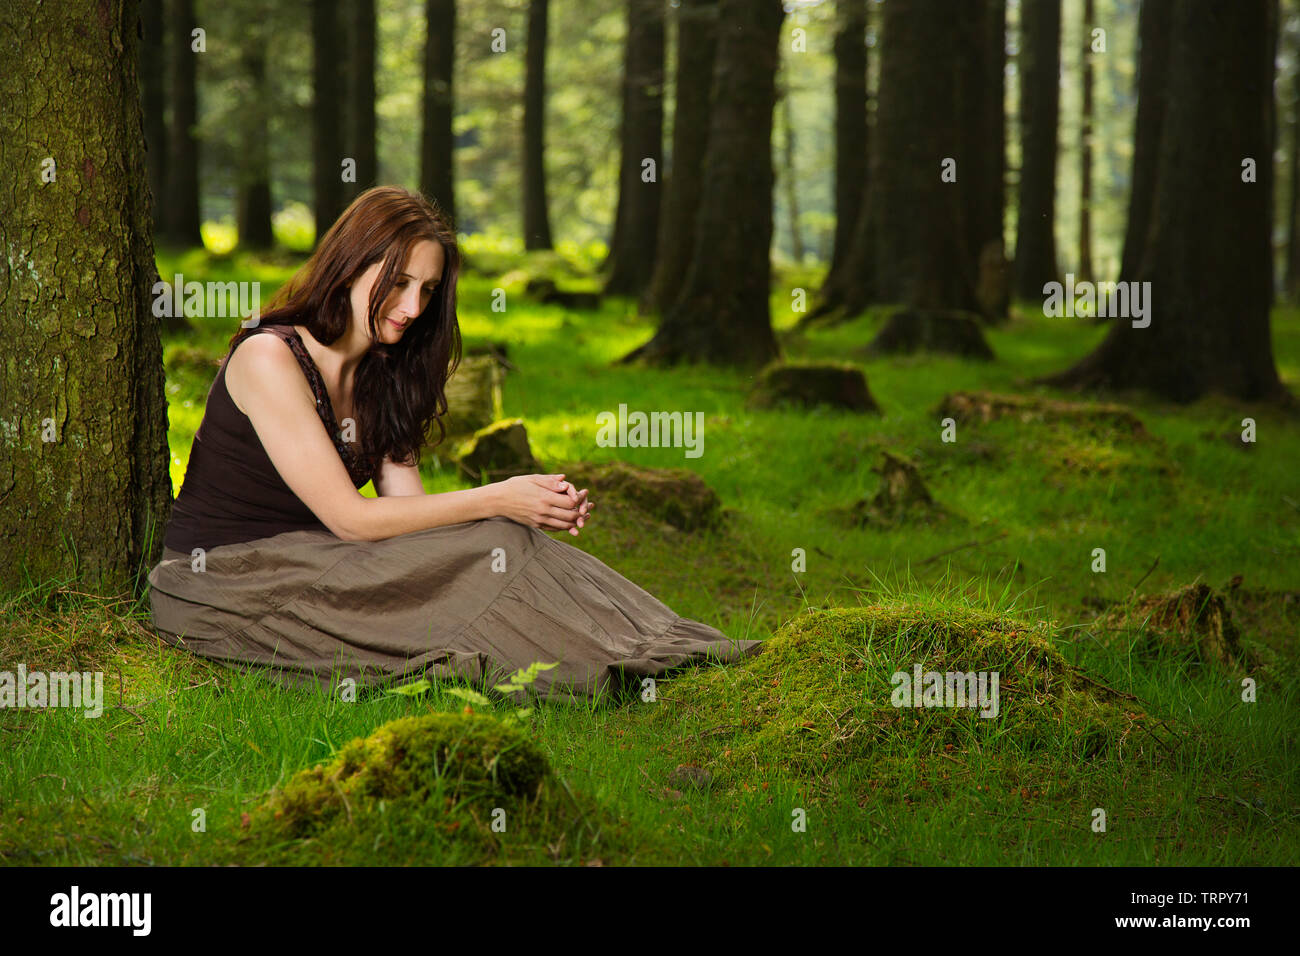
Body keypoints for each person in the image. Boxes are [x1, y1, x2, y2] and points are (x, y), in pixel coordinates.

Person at [147, 185, 761, 702]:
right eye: (399, 282)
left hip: (316, 557)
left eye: (429, 290)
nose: (413, 307)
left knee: (499, 540)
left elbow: (409, 521)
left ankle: (669, 648)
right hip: (225, 584)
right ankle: (623, 667)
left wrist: (526, 507)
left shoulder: (383, 375)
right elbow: (352, 518)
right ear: (352, 263)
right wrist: (498, 499)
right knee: (492, 534)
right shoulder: (268, 357)